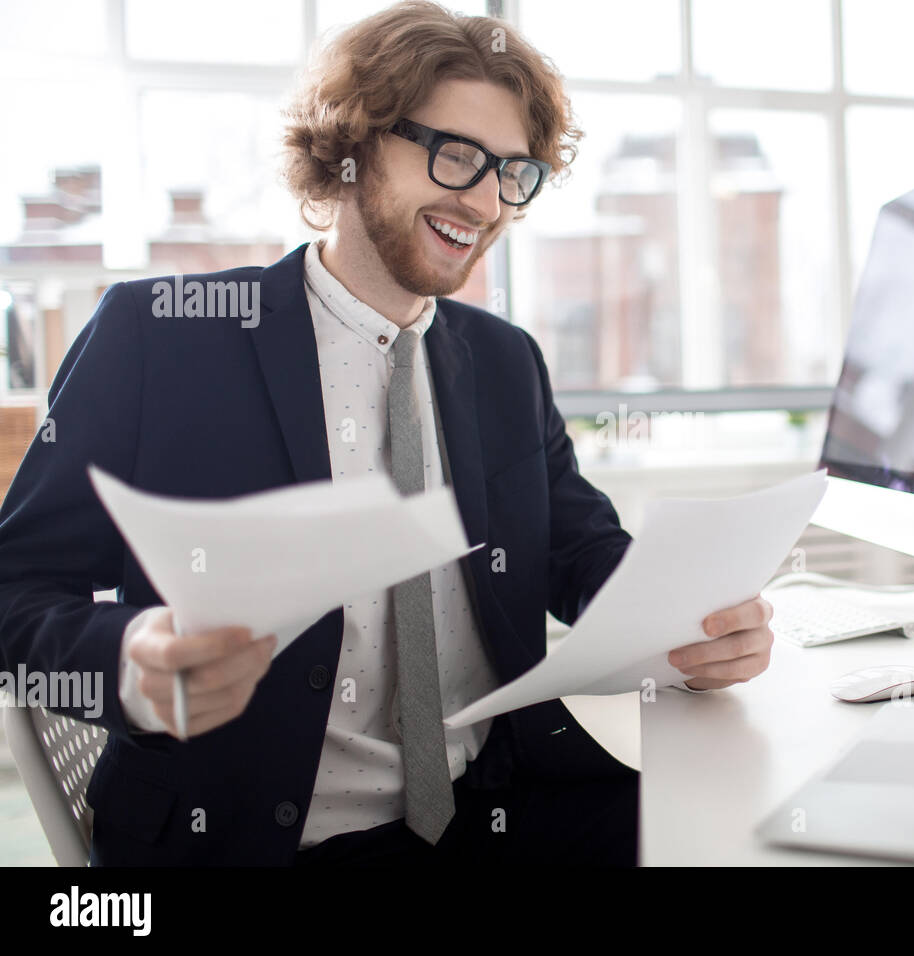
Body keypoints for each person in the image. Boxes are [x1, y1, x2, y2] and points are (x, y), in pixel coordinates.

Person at [0, 1, 775, 866]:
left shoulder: (503, 360)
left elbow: (575, 549)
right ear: (350, 146)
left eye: (514, 173)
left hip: (496, 797)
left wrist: (687, 622)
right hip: (266, 838)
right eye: (455, 155)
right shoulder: (161, 337)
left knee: (752, 831)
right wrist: (128, 655)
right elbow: (15, 588)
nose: (485, 201)